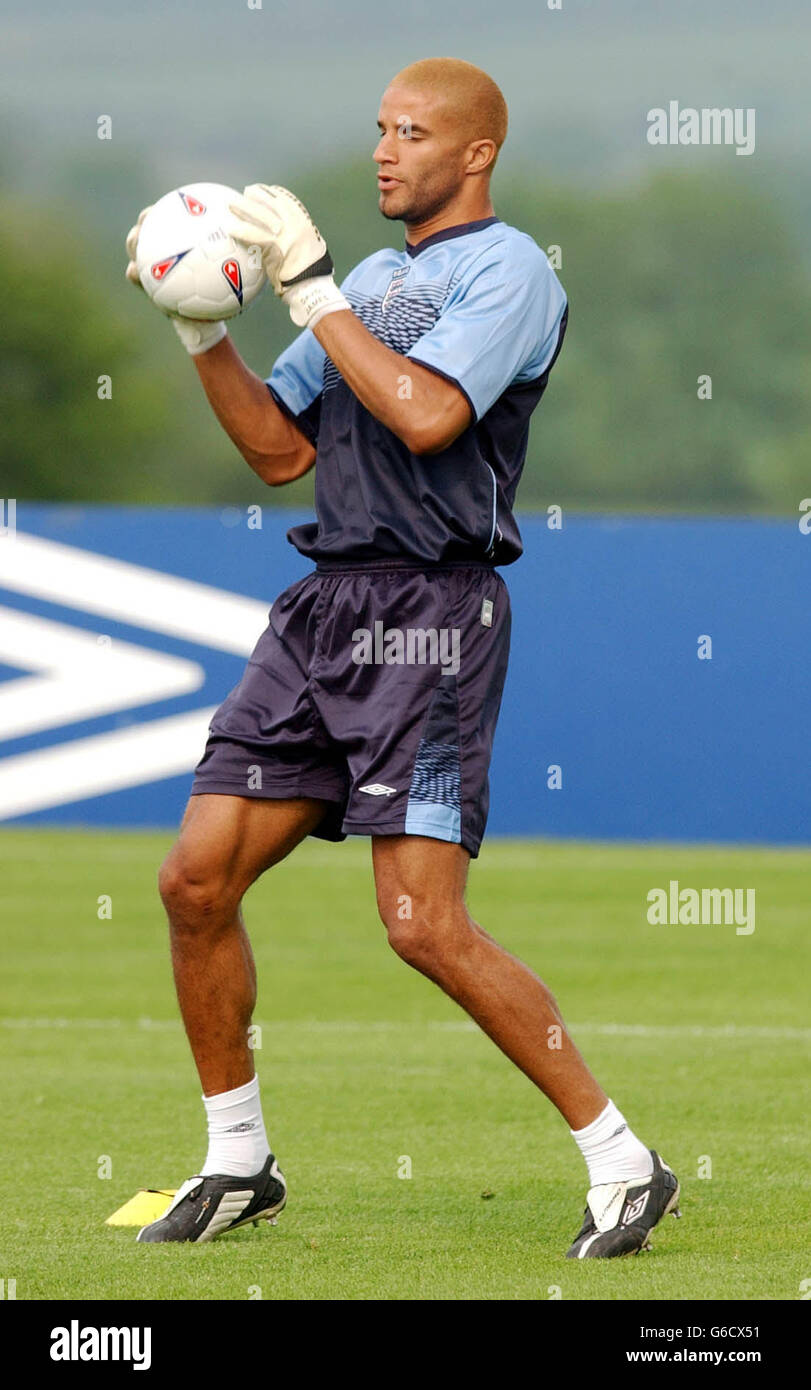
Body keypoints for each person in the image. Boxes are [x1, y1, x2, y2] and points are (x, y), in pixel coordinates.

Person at [125, 57, 680, 1257]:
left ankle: (622, 1160)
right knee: (192, 879)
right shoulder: (370, 278)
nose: (386, 150)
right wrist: (200, 332)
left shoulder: (511, 271)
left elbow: (430, 416)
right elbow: (281, 454)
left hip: (434, 614)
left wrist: (315, 291)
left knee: (422, 923)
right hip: (325, 606)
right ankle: (238, 1160)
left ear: (475, 153)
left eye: (414, 132)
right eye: (379, 129)